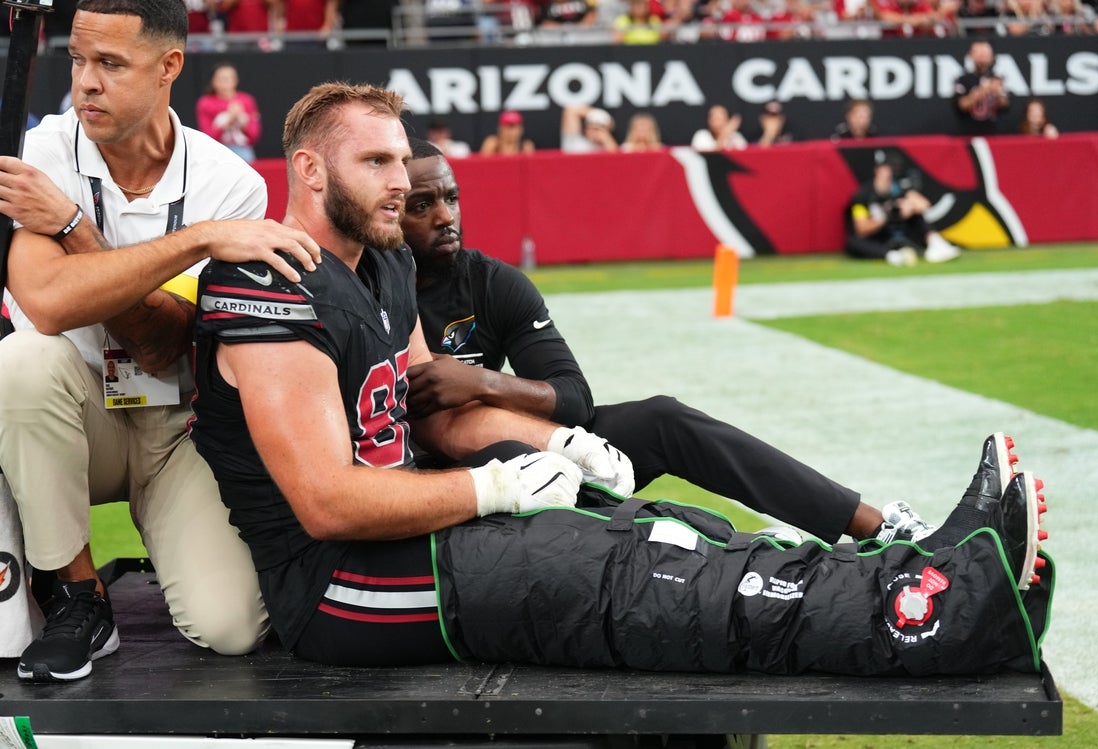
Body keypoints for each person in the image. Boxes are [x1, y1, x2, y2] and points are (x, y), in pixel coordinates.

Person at [189, 82, 1051, 676]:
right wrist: (493, 490)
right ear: (307, 170)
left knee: (667, 526)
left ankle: (919, 569)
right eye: (376, 163)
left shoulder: (384, 266)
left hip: (412, 526)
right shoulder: (267, 282)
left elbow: (436, 416)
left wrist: (558, 443)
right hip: (340, 586)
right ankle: (927, 623)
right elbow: (327, 503)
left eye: (399, 161)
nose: (399, 185)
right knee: (630, 578)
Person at [0, 0, 321, 683]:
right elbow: (49, 304)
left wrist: (73, 230)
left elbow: (160, 344)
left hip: (178, 426)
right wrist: (198, 240)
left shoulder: (228, 183)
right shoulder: (41, 153)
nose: (86, 82)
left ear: (169, 65)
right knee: (22, 359)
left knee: (232, 628)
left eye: (111, 64)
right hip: (68, 416)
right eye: (78, 60)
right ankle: (78, 598)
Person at [403, 137, 931, 546]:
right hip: (434, 474)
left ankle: (876, 527)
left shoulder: (496, 284)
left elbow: (574, 398)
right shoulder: (371, 286)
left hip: (541, 450)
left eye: (451, 197)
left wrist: (479, 381)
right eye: (422, 205)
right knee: (540, 466)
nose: (446, 216)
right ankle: (751, 560)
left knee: (662, 419)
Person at [844, 150, 962, 265]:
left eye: (889, 168)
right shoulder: (862, 196)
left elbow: (924, 205)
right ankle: (891, 256)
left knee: (918, 216)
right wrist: (883, 218)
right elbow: (861, 229)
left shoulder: (899, 186)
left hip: (903, 232)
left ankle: (936, 243)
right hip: (879, 236)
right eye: (884, 168)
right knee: (853, 243)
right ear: (877, 170)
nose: (887, 172)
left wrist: (909, 207)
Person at [195, 62, 262, 163]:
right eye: (222, 78)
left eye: (230, 78)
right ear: (213, 81)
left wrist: (241, 120)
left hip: (243, 151)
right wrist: (228, 120)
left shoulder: (247, 100)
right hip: (217, 151)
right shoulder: (205, 103)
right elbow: (207, 136)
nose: (226, 81)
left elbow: (254, 134)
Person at [953, 41, 1010, 136]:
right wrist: (982, 91)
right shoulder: (963, 80)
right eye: (979, 53)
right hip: (969, 132)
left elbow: (1006, 105)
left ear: (992, 57)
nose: (982, 57)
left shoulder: (997, 79)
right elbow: (961, 105)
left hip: (994, 133)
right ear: (971, 55)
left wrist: (998, 94)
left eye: (985, 53)